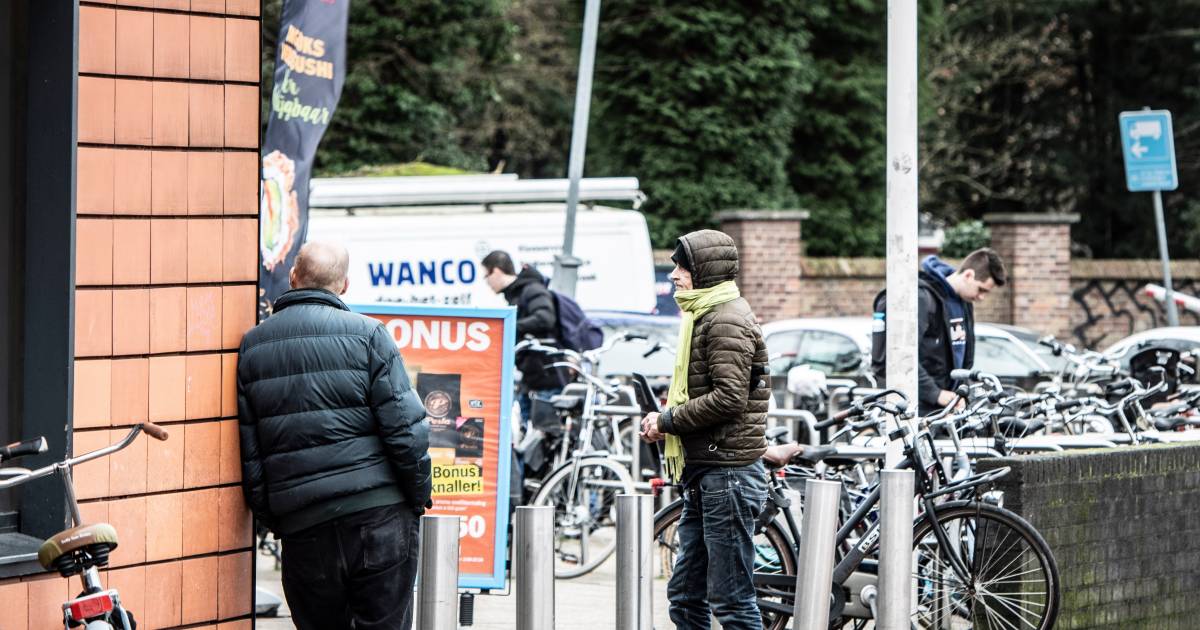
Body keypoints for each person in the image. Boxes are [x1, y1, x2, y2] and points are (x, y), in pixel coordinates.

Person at [237, 241, 431, 630]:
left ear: (293, 276)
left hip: (304, 525)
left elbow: (251, 450)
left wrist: (274, 518)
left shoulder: (253, 346)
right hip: (379, 517)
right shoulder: (369, 335)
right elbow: (406, 431)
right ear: (344, 285)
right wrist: (417, 497)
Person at [638, 229, 771, 629]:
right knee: (684, 597)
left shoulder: (725, 319)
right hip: (707, 471)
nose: (675, 275)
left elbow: (729, 399)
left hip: (726, 473)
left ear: (705, 272)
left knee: (731, 602)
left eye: (683, 267)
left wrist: (668, 421)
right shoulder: (705, 315)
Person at [871, 247, 1008, 415]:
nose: (981, 297)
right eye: (981, 289)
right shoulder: (922, 297)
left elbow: (962, 357)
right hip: (915, 406)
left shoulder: (964, 302)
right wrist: (935, 394)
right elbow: (898, 357)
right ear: (968, 275)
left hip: (948, 405)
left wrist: (960, 393)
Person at [480, 250, 565, 420]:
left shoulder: (531, 289)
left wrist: (510, 325)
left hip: (546, 377)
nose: (487, 282)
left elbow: (545, 318)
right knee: (529, 434)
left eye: (486, 276)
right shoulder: (517, 294)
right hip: (533, 378)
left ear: (496, 271)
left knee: (543, 437)